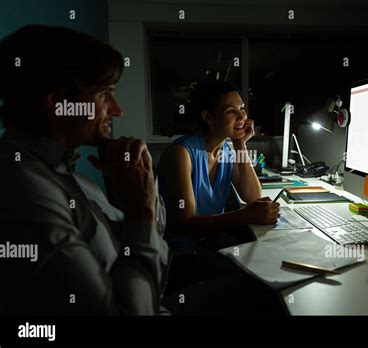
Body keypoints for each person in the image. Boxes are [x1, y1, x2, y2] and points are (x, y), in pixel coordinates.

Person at [0, 25, 170, 315]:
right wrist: (141, 212)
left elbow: (154, 233)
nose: (117, 110)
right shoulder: (24, 189)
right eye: (105, 95)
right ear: (58, 104)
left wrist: (136, 191)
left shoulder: (70, 174)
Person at [158, 79, 280, 251]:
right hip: (182, 251)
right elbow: (185, 224)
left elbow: (252, 195)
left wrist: (240, 144)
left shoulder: (227, 151)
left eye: (242, 109)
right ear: (208, 117)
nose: (242, 117)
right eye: (231, 111)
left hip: (209, 240)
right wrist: (244, 215)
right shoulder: (181, 153)